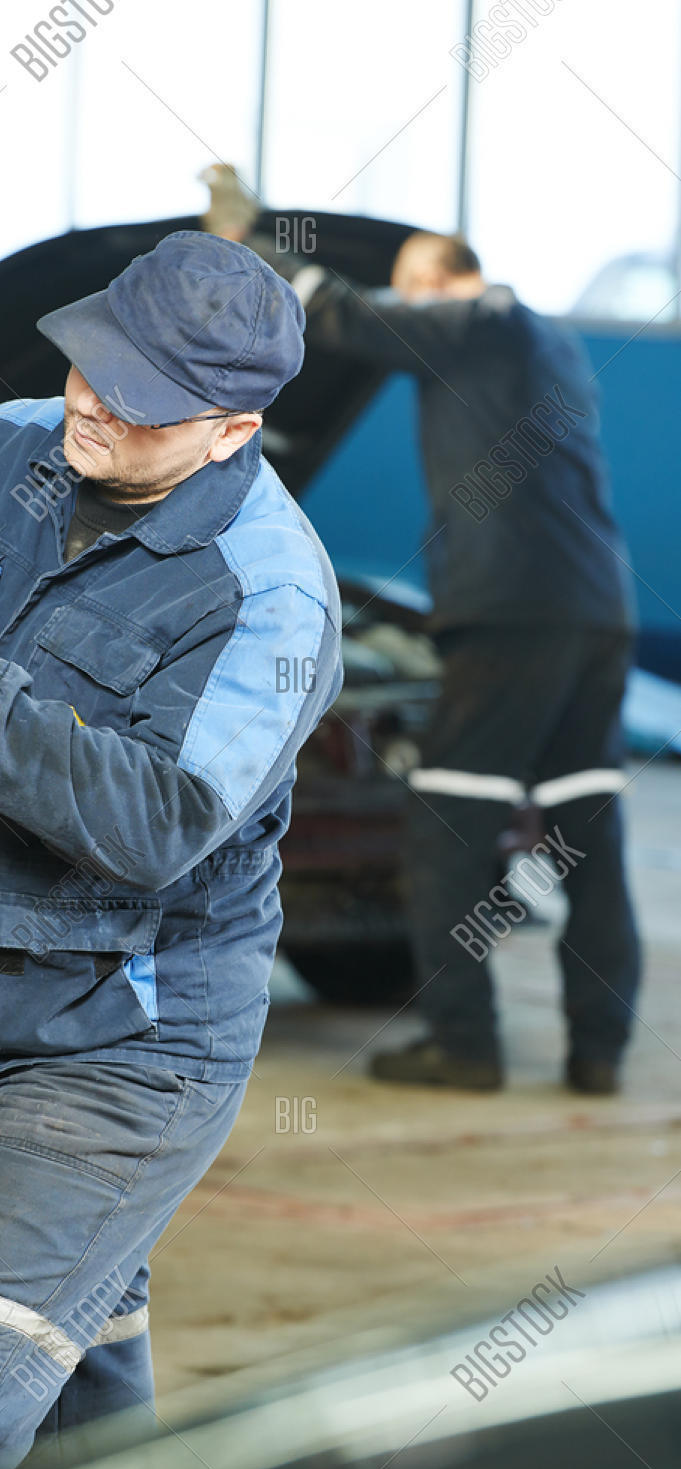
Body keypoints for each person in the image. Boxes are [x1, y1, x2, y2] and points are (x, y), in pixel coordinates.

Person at [0, 230, 343, 1469]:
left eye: (140, 398)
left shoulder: (269, 599)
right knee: (77, 1426)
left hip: (123, 1055)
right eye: (91, 363)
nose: (92, 403)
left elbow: (161, 819)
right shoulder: (7, 448)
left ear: (230, 430)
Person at [302, 230, 640, 1095]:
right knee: (585, 827)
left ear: (430, 282)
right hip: (595, 612)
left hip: (509, 613)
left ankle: (463, 1045)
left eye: (407, 292)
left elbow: (340, 314)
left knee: (445, 825)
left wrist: (254, 250)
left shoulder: (476, 319)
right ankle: (598, 1051)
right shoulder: (548, 340)